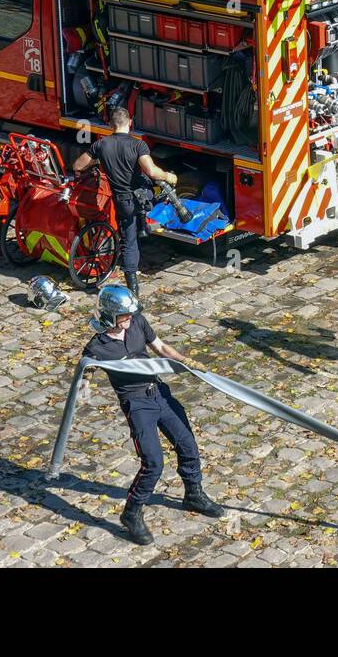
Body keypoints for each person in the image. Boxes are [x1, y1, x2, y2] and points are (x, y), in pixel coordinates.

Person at [82, 284, 225, 545]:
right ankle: (132, 513)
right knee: (153, 463)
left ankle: (193, 495)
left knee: (188, 445)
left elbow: (161, 347)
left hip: (159, 392)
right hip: (137, 405)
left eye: (129, 315)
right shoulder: (97, 347)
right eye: (123, 316)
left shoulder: (137, 323)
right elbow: (85, 372)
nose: (128, 319)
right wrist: (85, 384)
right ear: (108, 316)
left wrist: (187, 362)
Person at [72, 106, 178, 297]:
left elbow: (78, 165)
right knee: (153, 191)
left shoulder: (101, 145)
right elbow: (152, 171)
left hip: (122, 202)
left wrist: (99, 161)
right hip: (142, 198)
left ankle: (133, 291)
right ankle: (144, 224)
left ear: (111, 125)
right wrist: (169, 177)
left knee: (128, 241)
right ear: (130, 122)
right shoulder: (138, 145)